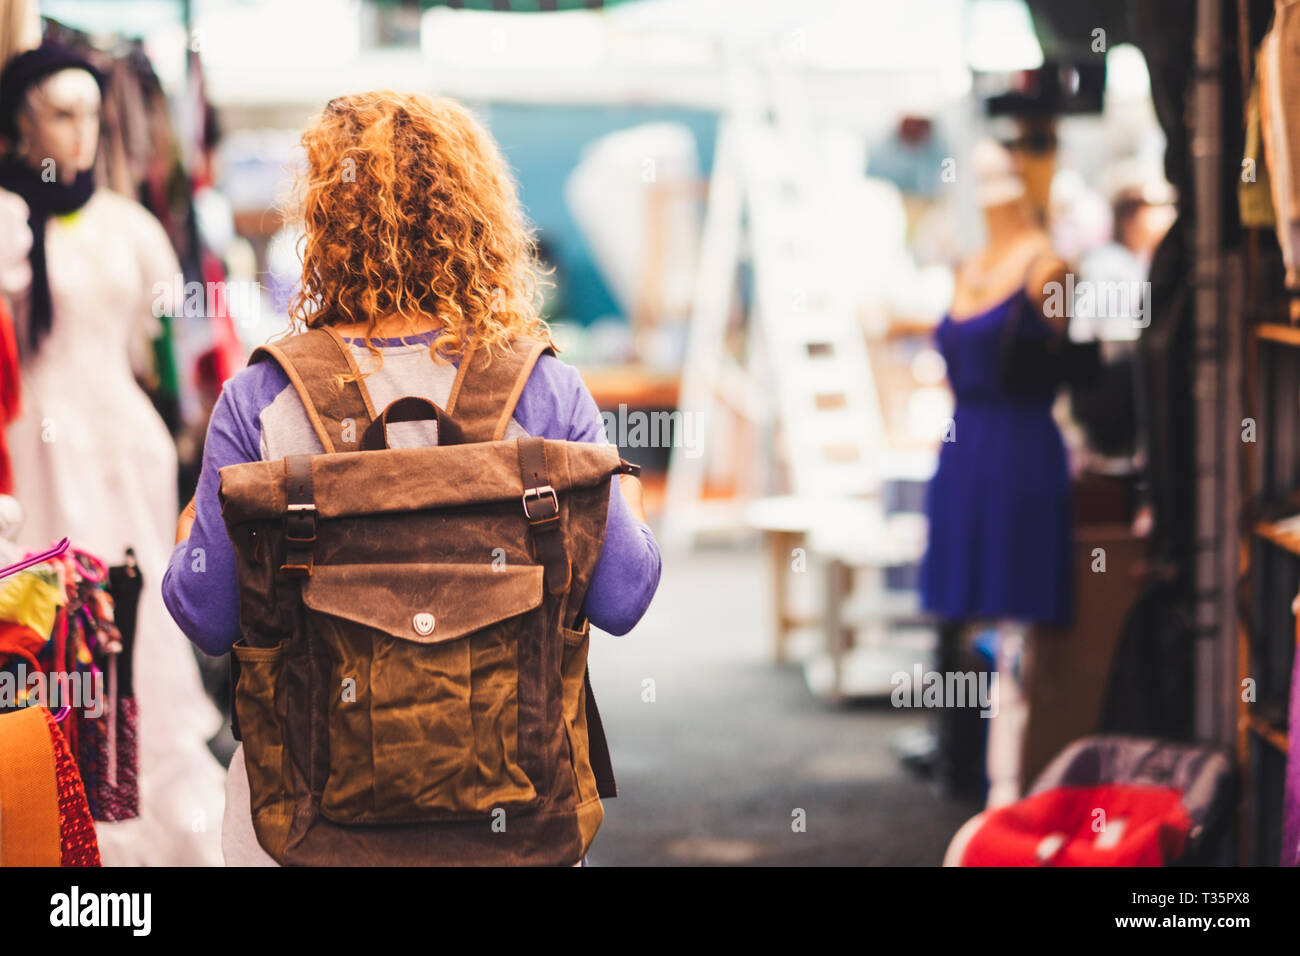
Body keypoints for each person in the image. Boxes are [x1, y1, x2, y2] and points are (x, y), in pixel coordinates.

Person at [161, 91, 662, 865]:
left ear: (324, 220)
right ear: (479, 218)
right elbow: (624, 598)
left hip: (303, 828)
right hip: (514, 827)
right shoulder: (544, 389)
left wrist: (199, 533)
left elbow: (205, 614)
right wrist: (619, 498)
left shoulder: (262, 399)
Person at [0, 41, 226, 865]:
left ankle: (146, 795)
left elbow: (162, 346)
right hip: (41, 450)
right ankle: (63, 801)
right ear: (22, 126)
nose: (84, 131)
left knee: (136, 618)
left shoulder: (131, 228)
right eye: (62, 113)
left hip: (125, 446)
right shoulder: (8, 224)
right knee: (55, 617)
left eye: (93, 112)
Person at [919, 139, 1073, 807]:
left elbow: (1075, 363)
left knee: (1021, 615)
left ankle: (1016, 771)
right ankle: (960, 762)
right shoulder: (966, 264)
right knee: (957, 613)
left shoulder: (1051, 268)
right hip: (961, 455)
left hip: (1021, 455)